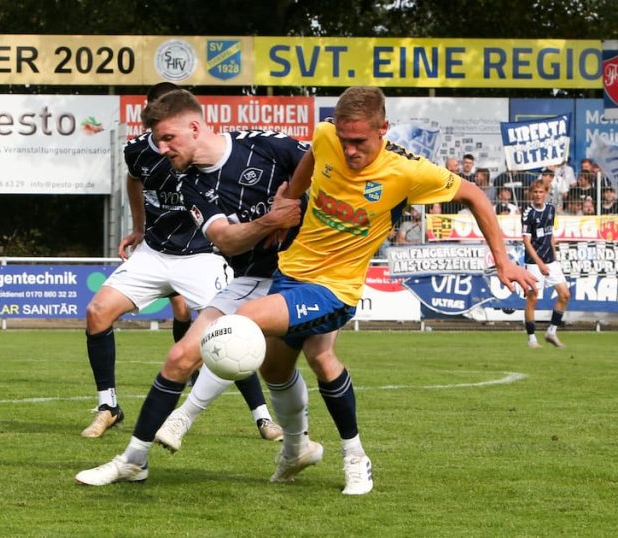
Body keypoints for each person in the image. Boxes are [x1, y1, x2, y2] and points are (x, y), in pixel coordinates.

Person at [233, 87, 537, 495]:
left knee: (244, 323)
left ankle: (355, 457)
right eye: (345, 140)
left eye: (359, 141)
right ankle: (296, 449)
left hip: (337, 288)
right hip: (293, 271)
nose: (350, 150)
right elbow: (310, 159)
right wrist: (289, 201)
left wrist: (502, 260)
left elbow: (474, 194)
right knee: (287, 367)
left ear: (383, 130)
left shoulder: (408, 171)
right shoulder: (326, 137)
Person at [75, 89, 306, 486]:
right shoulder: (190, 184)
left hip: (307, 272)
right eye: (157, 139)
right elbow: (229, 240)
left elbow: (325, 165)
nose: (161, 148)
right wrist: (272, 220)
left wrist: (297, 198)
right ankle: (132, 454)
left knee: (311, 362)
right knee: (185, 354)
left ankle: (334, 449)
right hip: (242, 274)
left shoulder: (267, 145)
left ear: (194, 125)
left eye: (168, 138)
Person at [521, 180, 569, 349]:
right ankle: (531, 339)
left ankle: (551, 332)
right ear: (531, 194)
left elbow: (550, 234)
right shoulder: (528, 213)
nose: (538, 195)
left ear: (546, 193)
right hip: (534, 263)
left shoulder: (550, 209)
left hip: (550, 261)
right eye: (535, 192)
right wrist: (540, 264)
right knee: (532, 299)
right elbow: (526, 241)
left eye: (541, 192)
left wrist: (554, 255)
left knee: (565, 295)